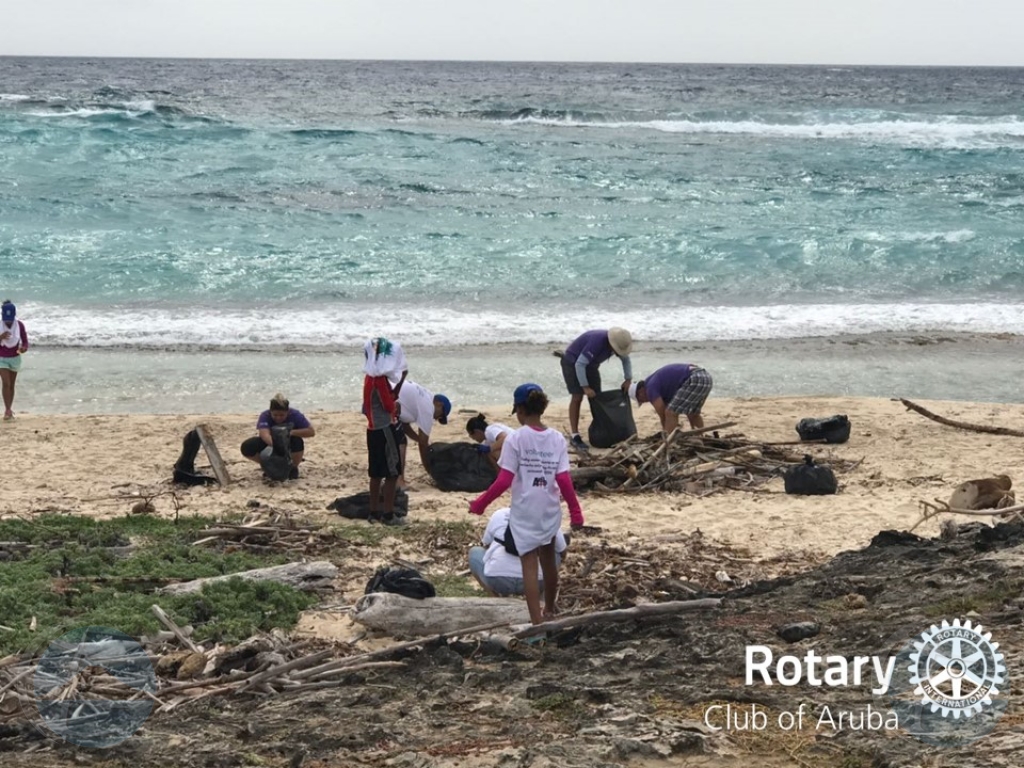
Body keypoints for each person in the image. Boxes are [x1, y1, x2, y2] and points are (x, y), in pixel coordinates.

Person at [469, 383, 584, 625]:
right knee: (549, 561)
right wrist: (576, 513)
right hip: (549, 510)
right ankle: (550, 609)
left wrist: (480, 504)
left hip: (525, 510)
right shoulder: (557, 439)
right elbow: (563, 479)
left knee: (529, 566)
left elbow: (504, 480)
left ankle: (536, 623)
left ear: (521, 410)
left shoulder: (515, 439)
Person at [560, 327, 633, 452]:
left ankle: (602, 430)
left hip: (591, 366)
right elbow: (580, 364)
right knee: (577, 397)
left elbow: (626, 360)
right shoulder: (597, 341)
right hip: (572, 362)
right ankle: (575, 435)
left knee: (597, 398)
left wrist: (628, 379)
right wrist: (585, 387)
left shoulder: (618, 344)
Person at [468, 507, 568, 597]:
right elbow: (563, 553)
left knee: (475, 552)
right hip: (535, 582)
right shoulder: (548, 518)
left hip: (498, 579)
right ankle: (542, 601)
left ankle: (496, 599)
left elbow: (487, 544)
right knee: (556, 554)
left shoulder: (500, 514)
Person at [240, 393, 316, 478]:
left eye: (282, 415)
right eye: (275, 415)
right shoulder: (265, 415)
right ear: (271, 412)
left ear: (287, 412)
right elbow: (264, 434)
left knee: (297, 441)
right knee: (248, 446)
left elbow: (311, 432)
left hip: (289, 442)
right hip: (272, 443)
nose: (278, 418)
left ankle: (293, 467)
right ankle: (268, 465)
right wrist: (278, 446)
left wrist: (290, 432)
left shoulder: (295, 415)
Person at [365, 367, 405, 526]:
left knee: (375, 473)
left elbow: (390, 396)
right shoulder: (379, 380)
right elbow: (389, 404)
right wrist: (395, 408)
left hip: (373, 429)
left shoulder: (369, 377)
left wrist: (401, 380)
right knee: (392, 472)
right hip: (384, 429)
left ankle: (373, 512)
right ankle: (388, 514)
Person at [394, 380, 451, 486]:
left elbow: (405, 426)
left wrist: (418, 439)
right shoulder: (428, 407)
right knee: (401, 442)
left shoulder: (424, 397)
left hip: (378, 397)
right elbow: (423, 444)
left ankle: (395, 478)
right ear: (439, 404)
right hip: (382, 402)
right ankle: (399, 481)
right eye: (440, 415)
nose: (436, 418)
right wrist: (430, 471)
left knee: (397, 437)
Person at [629, 363, 713, 433]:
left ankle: (670, 443)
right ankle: (700, 436)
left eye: (641, 400)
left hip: (694, 378)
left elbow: (664, 416)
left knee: (670, 413)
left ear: (640, 392)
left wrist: (666, 433)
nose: (645, 401)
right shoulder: (657, 383)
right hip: (706, 377)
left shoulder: (650, 388)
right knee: (693, 413)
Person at [362, 337, 407, 428]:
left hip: (372, 423)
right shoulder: (379, 379)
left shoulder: (369, 376)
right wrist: (394, 406)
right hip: (382, 425)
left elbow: (365, 405)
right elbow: (388, 406)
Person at [0, 301, 29, 421]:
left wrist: (23, 349)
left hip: (15, 358)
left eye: (10, 319)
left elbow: (25, 342)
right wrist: (0, 337)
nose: (8, 322)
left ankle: (9, 408)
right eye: (6, 319)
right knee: (6, 383)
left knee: (11, 385)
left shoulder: (20, 325)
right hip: (1, 358)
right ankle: (7, 410)